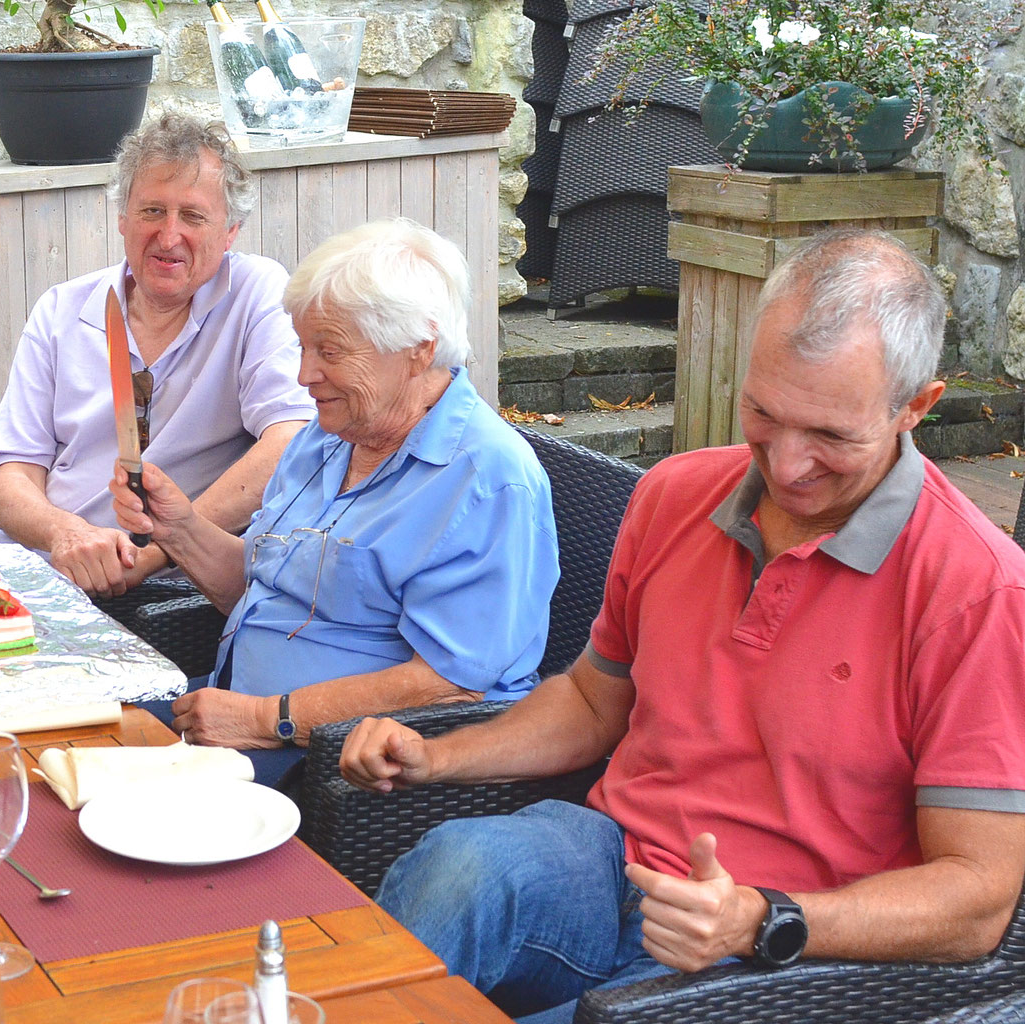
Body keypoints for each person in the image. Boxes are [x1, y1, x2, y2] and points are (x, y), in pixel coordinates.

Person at [339, 228, 1025, 1023]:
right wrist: (436, 755)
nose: (789, 464)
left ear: (917, 407)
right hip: (611, 862)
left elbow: (978, 899)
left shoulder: (977, 592)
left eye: (832, 437)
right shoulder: (673, 495)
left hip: (781, 955)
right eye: (764, 413)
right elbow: (596, 704)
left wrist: (767, 919)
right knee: (461, 864)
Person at [110, 218, 559, 778]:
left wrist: (263, 718)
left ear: (419, 349)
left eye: (330, 350)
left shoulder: (485, 478)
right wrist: (178, 528)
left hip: (341, 763)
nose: (304, 374)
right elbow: (256, 589)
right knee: (61, 756)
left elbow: (450, 684)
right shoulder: (324, 438)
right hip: (231, 712)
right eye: (302, 345)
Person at [0, 113, 315, 595]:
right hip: (23, 565)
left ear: (230, 233)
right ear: (123, 218)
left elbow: (291, 439)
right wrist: (64, 533)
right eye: (152, 211)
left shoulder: (255, 294)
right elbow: (10, 475)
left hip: (156, 588)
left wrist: (153, 554)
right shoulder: (64, 308)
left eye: (193, 216)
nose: (169, 237)